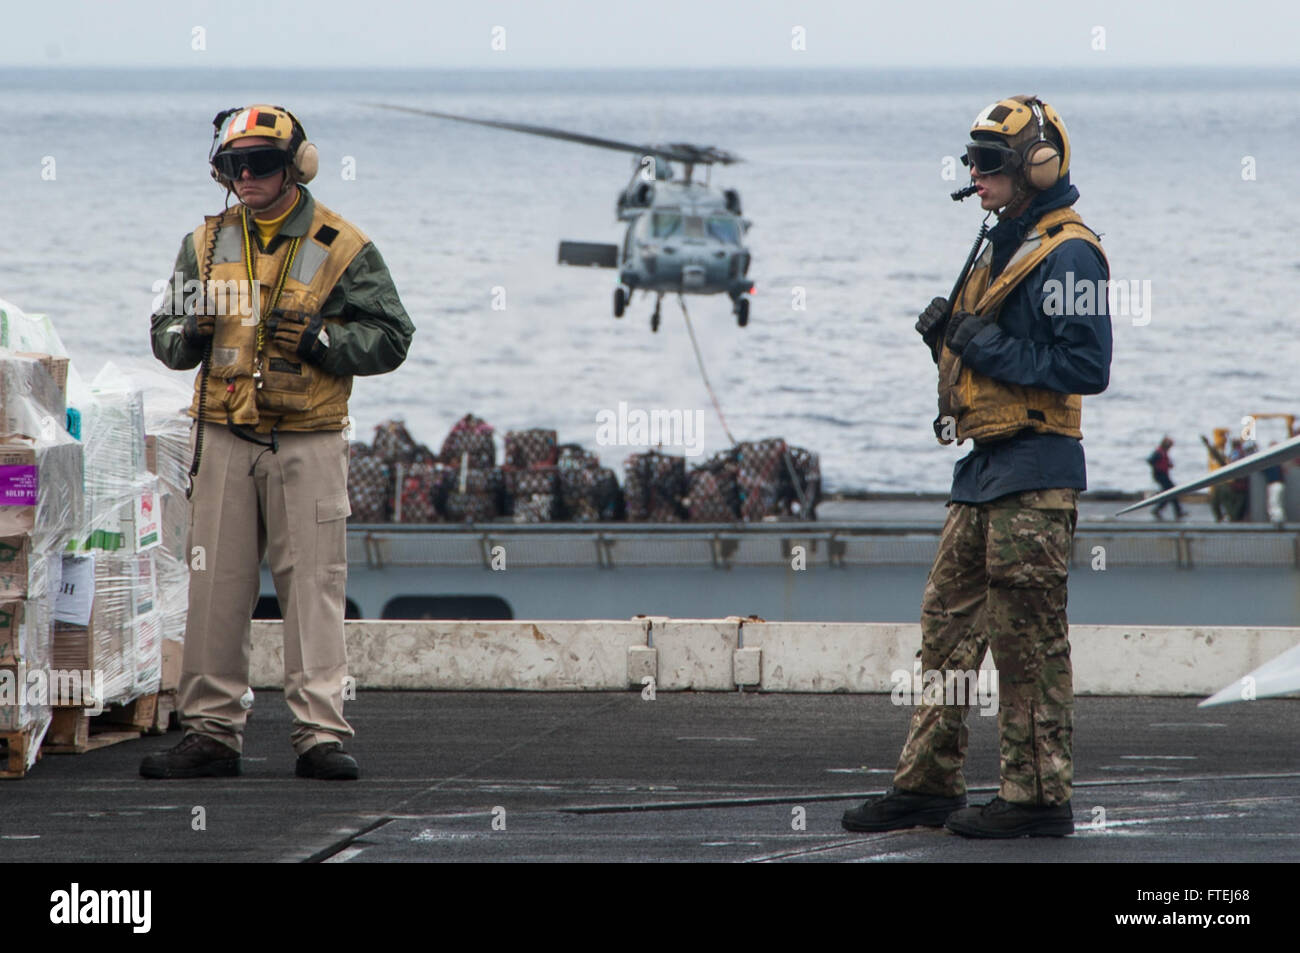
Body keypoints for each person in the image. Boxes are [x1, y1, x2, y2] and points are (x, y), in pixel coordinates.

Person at [842, 96, 1111, 838]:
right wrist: (947, 342)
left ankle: (1037, 797)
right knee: (948, 628)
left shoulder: (1071, 252)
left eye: (989, 162)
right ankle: (928, 783)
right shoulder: (1002, 245)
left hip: (1036, 468)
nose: (974, 173)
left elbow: (1086, 364)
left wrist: (975, 342)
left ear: (1038, 164)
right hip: (985, 466)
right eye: (972, 160)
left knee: (1028, 640)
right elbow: (992, 356)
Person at [143, 105, 414, 780]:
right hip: (226, 436)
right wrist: (194, 334)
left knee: (314, 586)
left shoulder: (342, 244)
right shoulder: (203, 244)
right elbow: (165, 335)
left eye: (261, 164)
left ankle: (320, 733)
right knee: (214, 586)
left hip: (308, 441)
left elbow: (393, 335)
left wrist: (325, 345)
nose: (247, 177)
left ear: (296, 167)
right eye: (235, 166)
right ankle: (210, 731)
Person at [1146, 436, 1184, 519]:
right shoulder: (1158, 452)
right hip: (1160, 475)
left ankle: (1176, 510)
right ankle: (1175, 511)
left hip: (1164, 475)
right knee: (1171, 492)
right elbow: (1150, 460)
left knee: (1171, 492)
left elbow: (1165, 462)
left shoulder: (1163, 452)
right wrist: (1157, 467)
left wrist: (1168, 465)